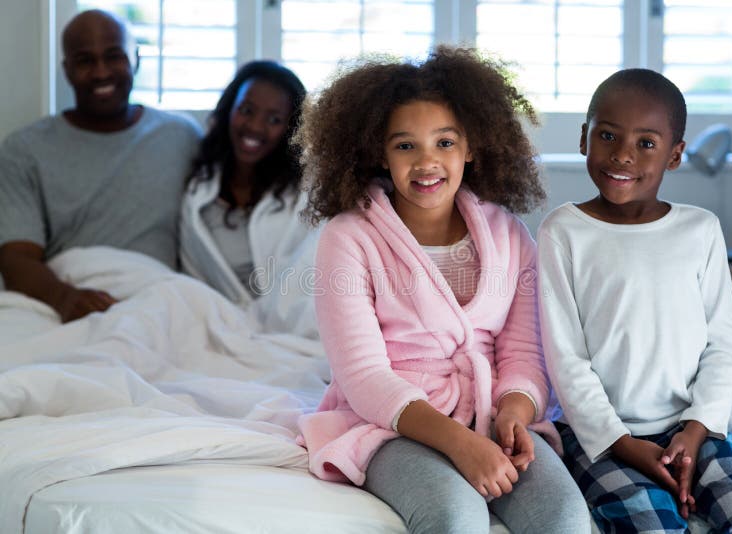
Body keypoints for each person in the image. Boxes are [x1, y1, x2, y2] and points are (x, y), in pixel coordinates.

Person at [296, 46, 589, 534]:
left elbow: (522, 351)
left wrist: (514, 412)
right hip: (394, 421)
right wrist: (461, 443)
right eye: (405, 145)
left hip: (491, 414)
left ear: (472, 147)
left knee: (564, 519)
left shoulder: (509, 235)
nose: (426, 162)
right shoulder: (349, 238)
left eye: (445, 143)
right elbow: (364, 376)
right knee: (454, 516)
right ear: (379, 152)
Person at [536, 68, 732, 533]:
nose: (623, 155)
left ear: (674, 156)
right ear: (583, 138)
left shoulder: (700, 229)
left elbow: (725, 346)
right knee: (650, 524)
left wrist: (694, 431)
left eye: (646, 143)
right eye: (607, 135)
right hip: (603, 437)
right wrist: (623, 443)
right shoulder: (562, 231)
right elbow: (564, 358)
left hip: (691, 427)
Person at [0, 9, 201, 322]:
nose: (101, 72)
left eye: (113, 56)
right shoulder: (23, 149)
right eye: (85, 61)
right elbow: (16, 258)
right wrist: (66, 299)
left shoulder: (182, 136)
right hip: (63, 303)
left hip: (159, 301)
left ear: (136, 59)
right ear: (67, 70)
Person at [180, 60, 318, 323]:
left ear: (291, 129)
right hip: (217, 324)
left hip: (293, 326)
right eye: (246, 110)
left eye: (274, 119)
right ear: (230, 109)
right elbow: (192, 282)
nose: (255, 127)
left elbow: (310, 274)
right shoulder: (199, 194)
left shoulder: (307, 190)